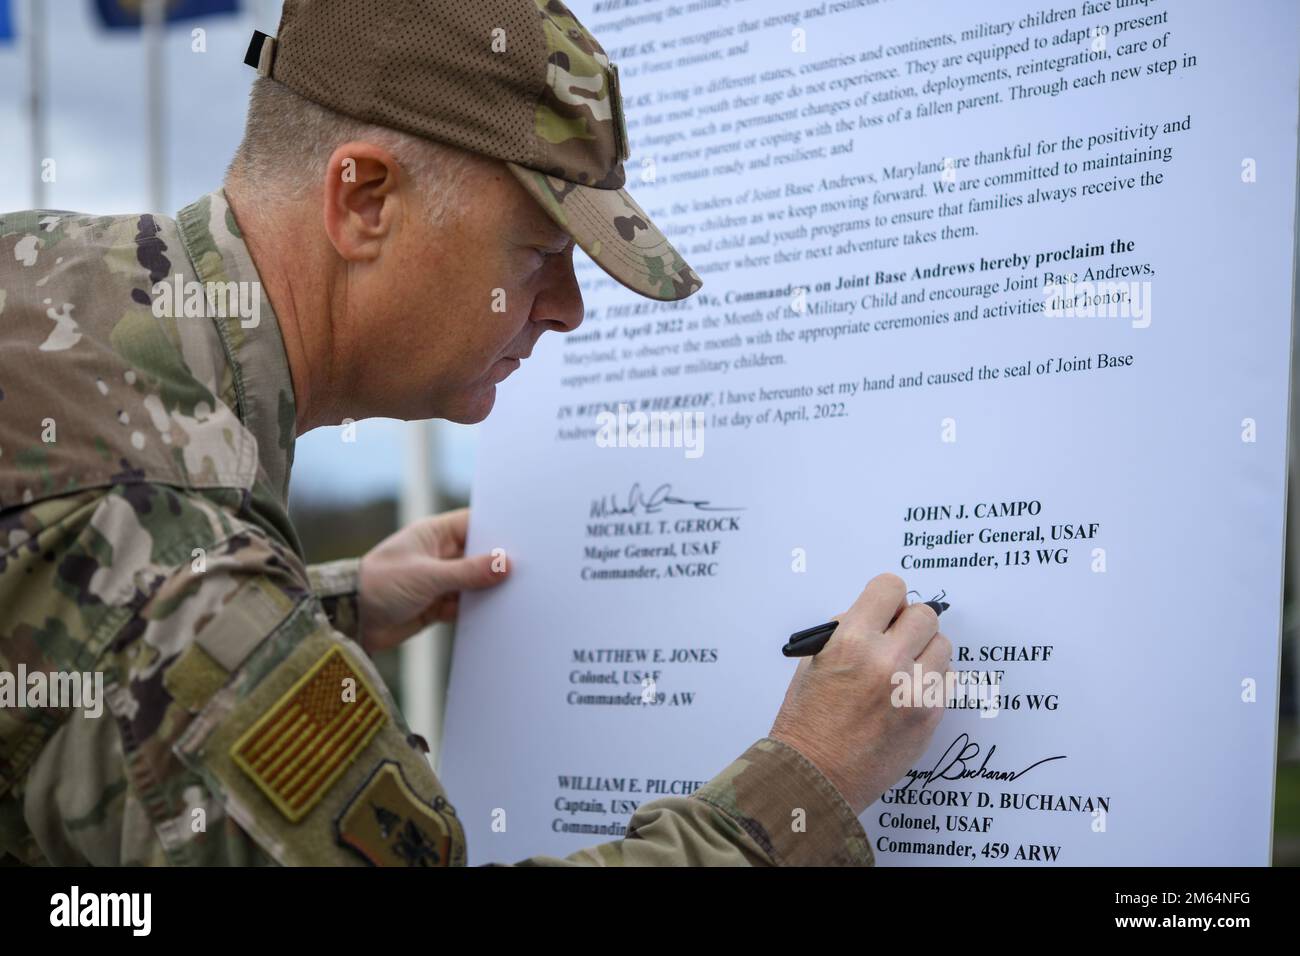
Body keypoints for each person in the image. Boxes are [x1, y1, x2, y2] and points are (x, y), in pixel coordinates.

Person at [0, 0, 950, 866]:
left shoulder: (50, 277)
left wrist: (331, 608)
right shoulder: (175, 551)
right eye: (539, 253)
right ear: (364, 199)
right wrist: (802, 786)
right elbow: (156, 591)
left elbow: (106, 632)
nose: (568, 309)